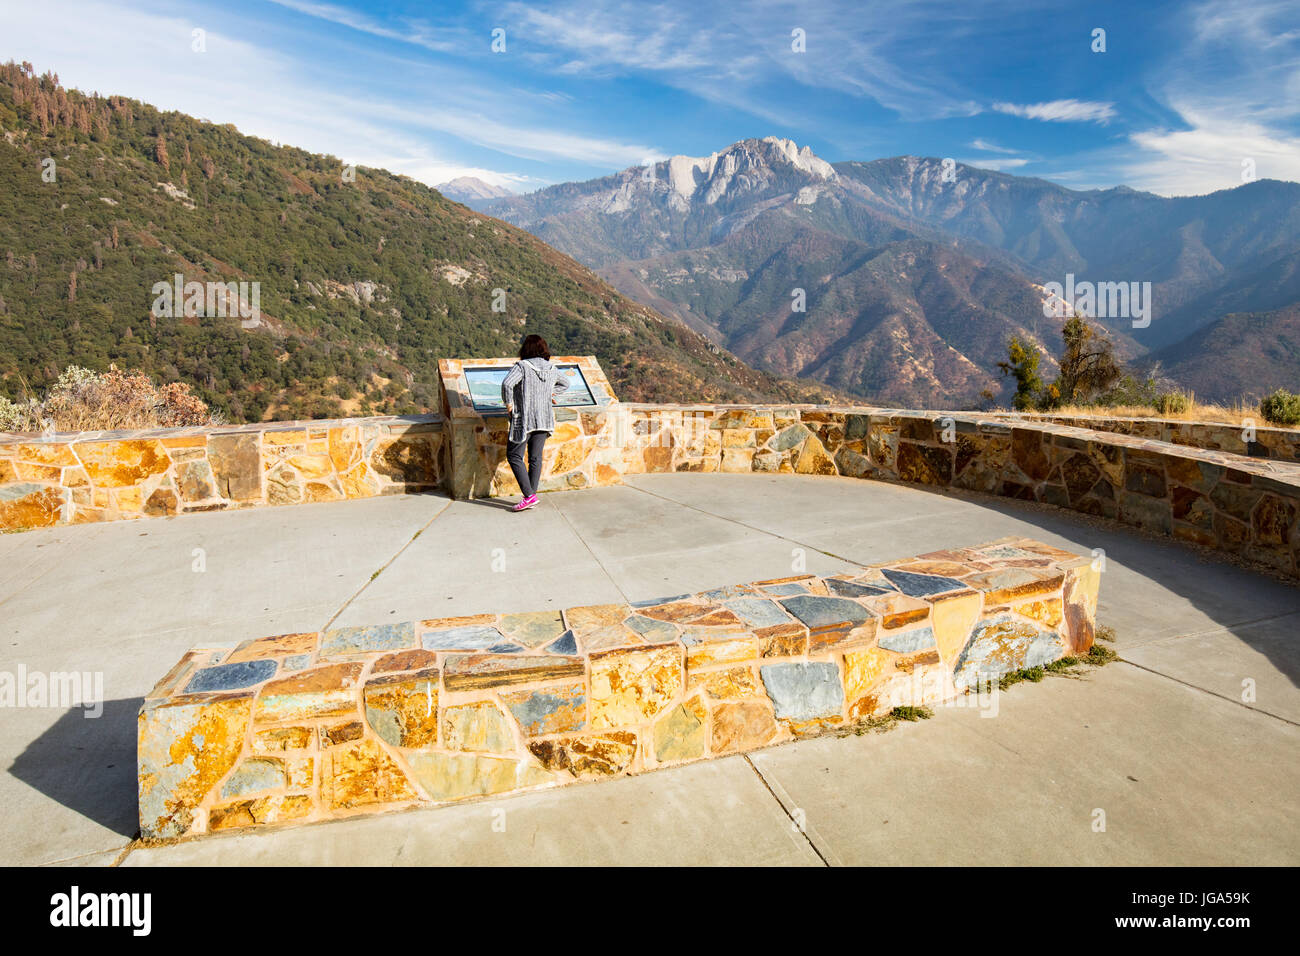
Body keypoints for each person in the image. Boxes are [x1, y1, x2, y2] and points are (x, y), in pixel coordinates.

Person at [501, 334, 568, 511]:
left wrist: (509, 404)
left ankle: (529, 496)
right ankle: (531, 495)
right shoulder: (551, 368)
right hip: (544, 419)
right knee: (535, 458)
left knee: (514, 456)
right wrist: (552, 394)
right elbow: (566, 383)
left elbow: (507, 384)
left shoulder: (522, 367)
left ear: (526, 349)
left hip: (525, 419)